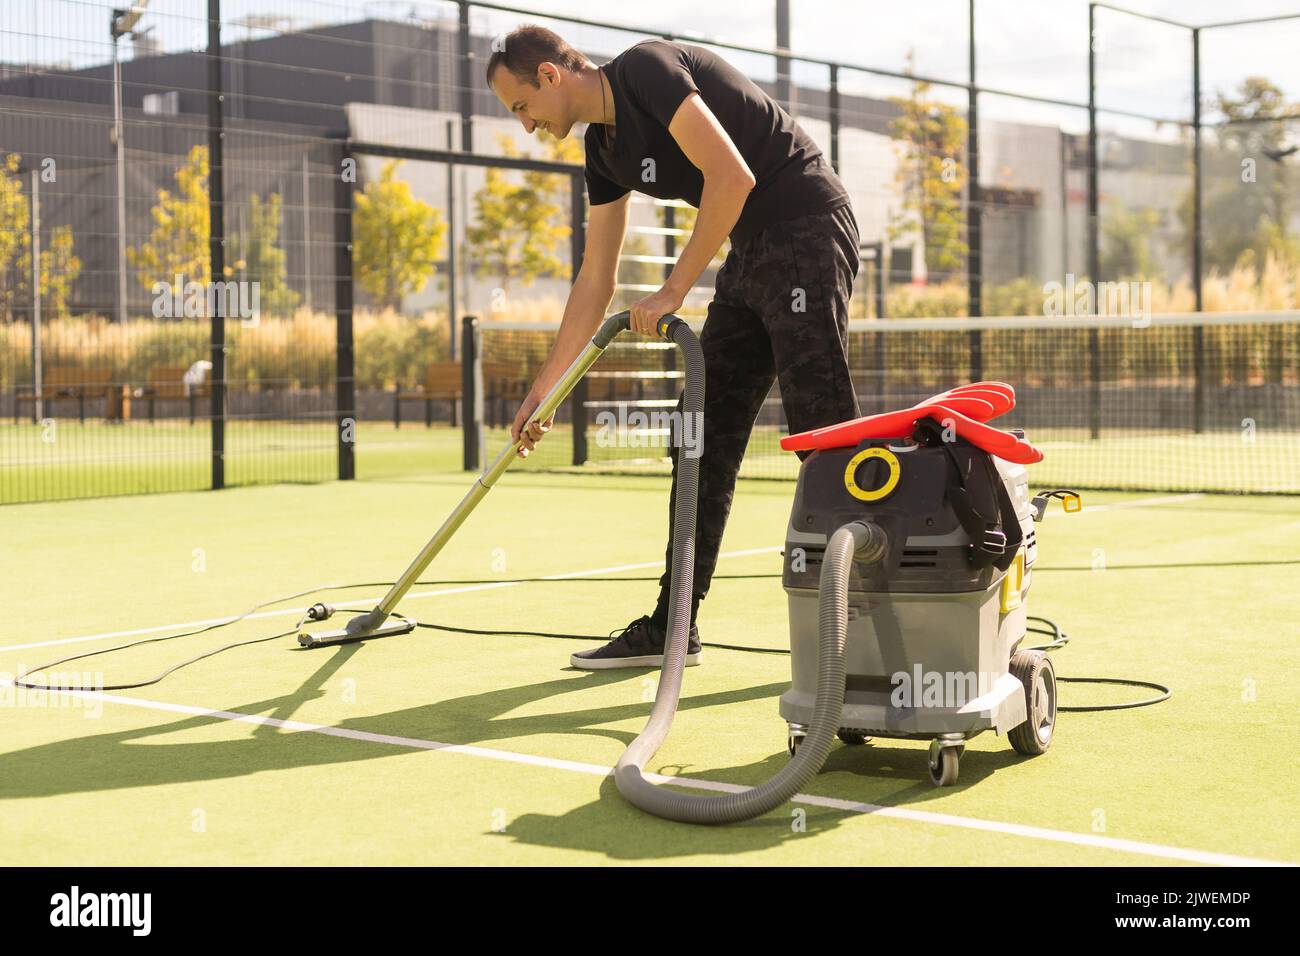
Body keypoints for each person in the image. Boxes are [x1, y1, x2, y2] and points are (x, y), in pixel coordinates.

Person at [486, 25, 861, 669]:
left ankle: (859, 634)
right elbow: (595, 278)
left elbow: (732, 175)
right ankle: (673, 627)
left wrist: (672, 290)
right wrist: (547, 391)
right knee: (701, 434)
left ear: (550, 75)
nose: (524, 125)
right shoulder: (602, 152)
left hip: (805, 224)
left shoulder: (648, 72)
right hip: (748, 247)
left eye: (521, 107)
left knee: (823, 438)